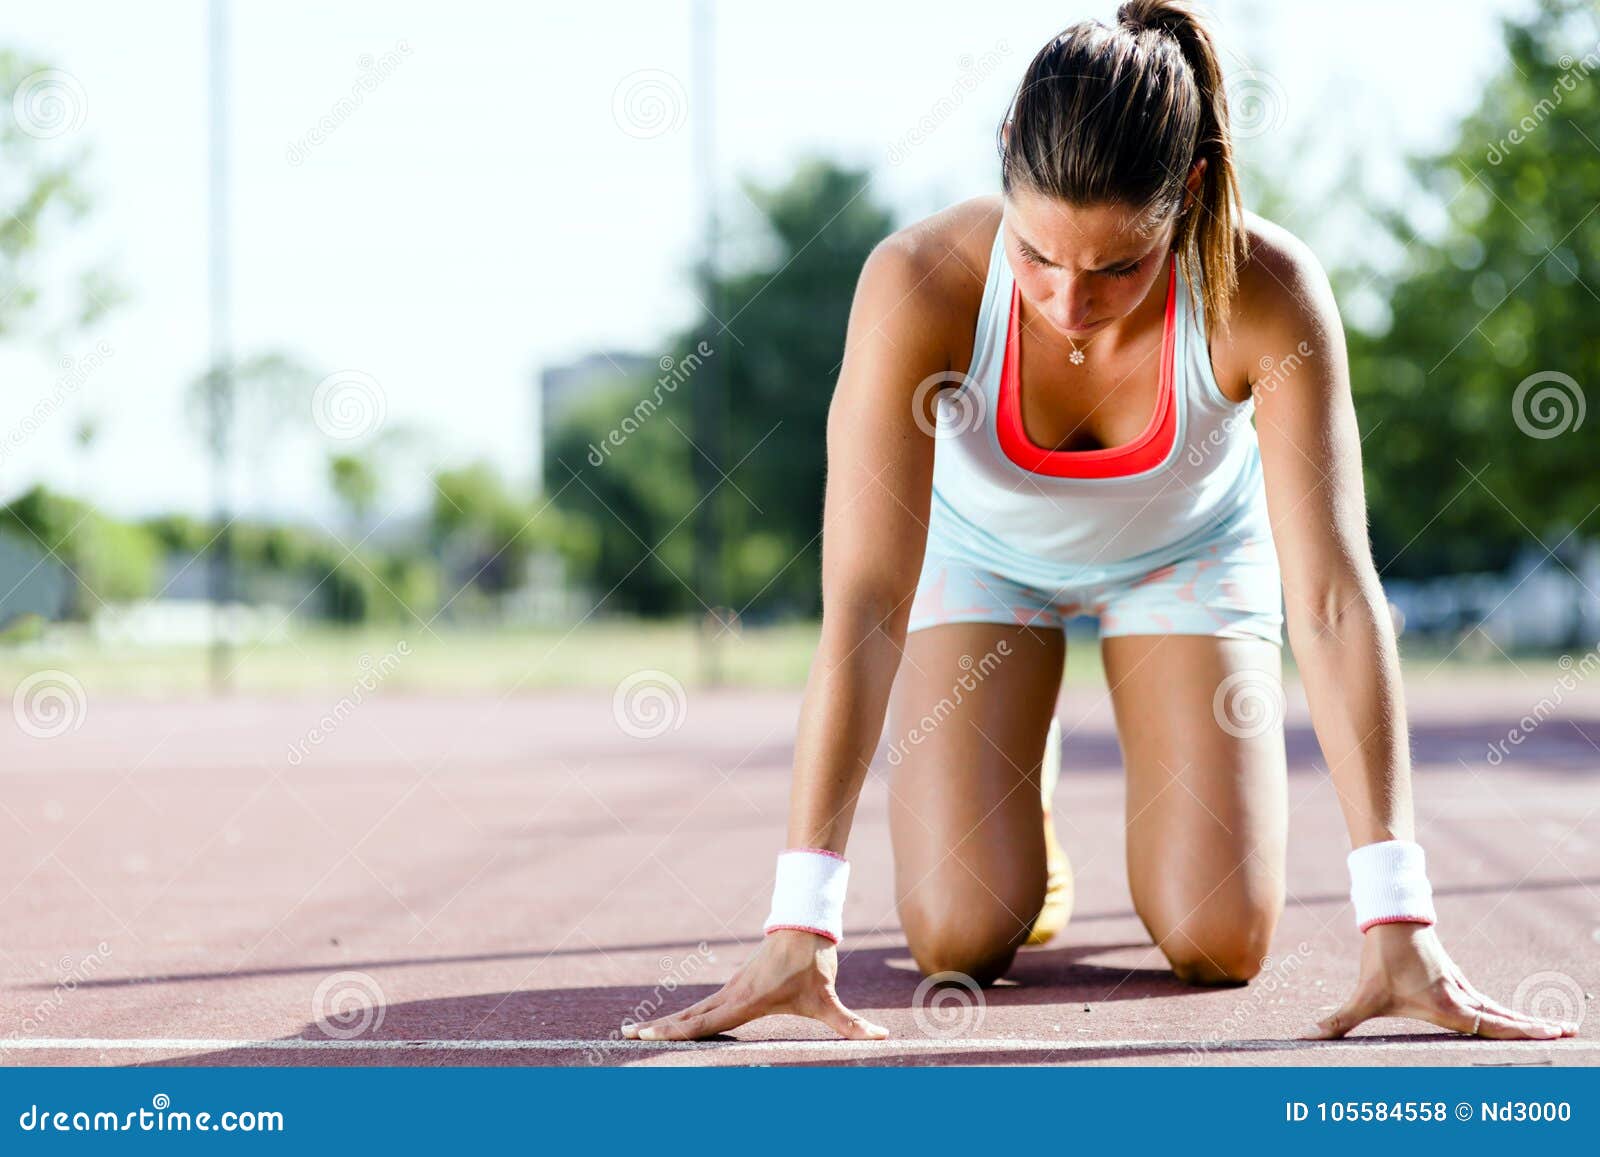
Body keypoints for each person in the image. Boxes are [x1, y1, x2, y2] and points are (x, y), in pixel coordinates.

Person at [624, 0, 1577, 1044]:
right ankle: (1012, 792)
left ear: (1192, 195)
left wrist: (1398, 913)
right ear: (1001, 160)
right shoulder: (918, 282)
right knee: (956, 933)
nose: (1068, 303)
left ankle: (1145, 744)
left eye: (1118, 267)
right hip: (981, 561)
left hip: (1187, 562)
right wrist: (798, 919)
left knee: (1218, 939)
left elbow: (1336, 598)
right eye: (1038, 254)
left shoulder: (1265, 290)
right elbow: (863, 602)